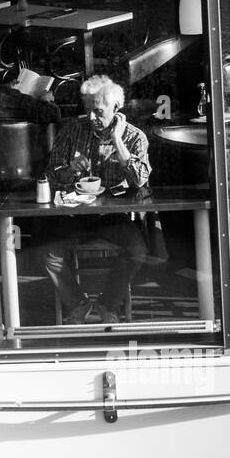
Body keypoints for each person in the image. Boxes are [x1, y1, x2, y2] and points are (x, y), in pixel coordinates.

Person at [38, 74, 152, 324]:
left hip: (114, 217)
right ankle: (78, 305)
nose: (91, 117)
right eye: (88, 110)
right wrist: (69, 170)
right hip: (75, 213)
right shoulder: (73, 130)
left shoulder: (134, 137)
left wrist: (117, 140)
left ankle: (107, 304)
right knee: (47, 252)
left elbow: (140, 180)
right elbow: (51, 174)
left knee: (137, 249)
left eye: (98, 111)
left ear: (116, 108)